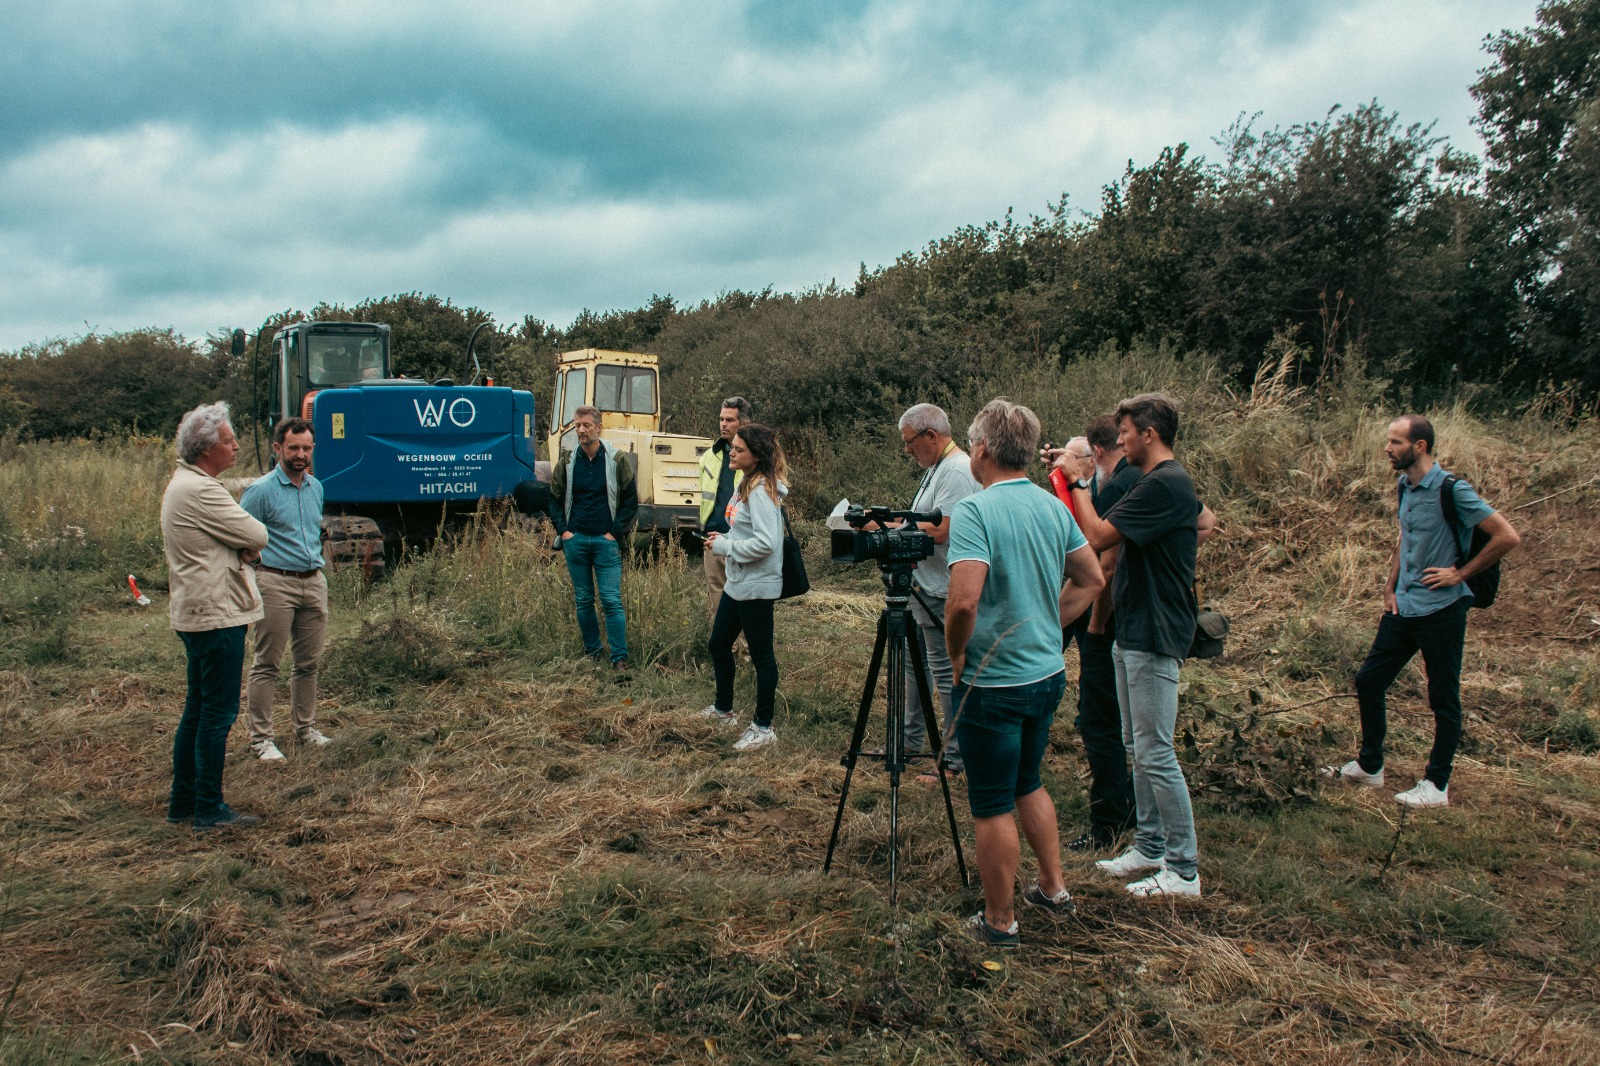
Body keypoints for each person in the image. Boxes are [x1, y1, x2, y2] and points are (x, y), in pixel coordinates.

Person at [945, 399, 1104, 948]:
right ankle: (1053, 888)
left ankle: (999, 920)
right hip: (1045, 672)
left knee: (990, 801)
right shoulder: (1051, 506)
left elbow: (963, 602)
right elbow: (1090, 579)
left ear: (982, 449)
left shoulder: (975, 511)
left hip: (992, 681)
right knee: (1028, 780)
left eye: (971, 446)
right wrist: (1046, 623)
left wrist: (958, 655)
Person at [1323, 415, 1520, 807]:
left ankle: (1437, 785)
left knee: (1442, 697)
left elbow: (1507, 536)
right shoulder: (1404, 486)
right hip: (1404, 607)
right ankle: (1370, 766)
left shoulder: (1453, 490)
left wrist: (1460, 574)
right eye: (1388, 441)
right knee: (1369, 680)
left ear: (1420, 447)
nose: (1387, 449)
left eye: (1395, 442)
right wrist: (1390, 585)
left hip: (1443, 610)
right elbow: (1406, 536)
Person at [1065, 393, 1215, 898]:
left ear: (1149, 433)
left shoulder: (1166, 482)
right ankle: (1149, 847)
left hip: (1154, 630)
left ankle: (1184, 869)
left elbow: (1097, 534)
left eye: (1125, 431)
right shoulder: (1154, 482)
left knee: (1155, 751)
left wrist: (1079, 482)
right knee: (1136, 746)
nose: (1119, 439)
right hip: (1133, 628)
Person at [161, 402, 269, 831]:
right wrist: (245, 547)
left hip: (196, 611)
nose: (236, 446)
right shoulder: (204, 491)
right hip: (217, 613)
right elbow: (257, 534)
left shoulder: (181, 485)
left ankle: (182, 803)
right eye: (228, 440)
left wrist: (239, 545)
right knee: (217, 715)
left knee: (196, 710)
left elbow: (238, 539)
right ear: (206, 448)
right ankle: (209, 808)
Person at [1055, 415, 1142, 851]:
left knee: (1100, 719)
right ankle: (1126, 805)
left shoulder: (1120, 485)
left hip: (1107, 617)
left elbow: (1103, 561)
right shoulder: (1141, 479)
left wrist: (1094, 625)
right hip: (1117, 612)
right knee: (1113, 720)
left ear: (1097, 455)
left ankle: (1110, 821)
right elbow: (1204, 521)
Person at [895, 403, 980, 783]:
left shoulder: (957, 471)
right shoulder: (937, 468)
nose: (908, 450)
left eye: (911, 442)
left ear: (932, 435)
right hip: (925, 585)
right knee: (918, 666)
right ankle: (913, 741)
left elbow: (944, 528)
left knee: (946, 673)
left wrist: (893, 529)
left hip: (944, 589)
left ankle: (954, 758)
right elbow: (923, 520)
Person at [240, 417, 331, 762]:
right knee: (267, 664)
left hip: (313, 581)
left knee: (308, 663)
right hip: (275, 582)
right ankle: (261, 739)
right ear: (278, 448)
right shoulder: (260, 491)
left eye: (307, 448)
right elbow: (238, 533)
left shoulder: (316, 487)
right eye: (293, 447)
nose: (300, 454)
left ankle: (305, 729)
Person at [699, 424, 788, 752]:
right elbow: (743, 530)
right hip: (738, 583)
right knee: (719, 643)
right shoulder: (745, 483)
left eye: (738, 449)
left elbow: (766, 543)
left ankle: (763, 728)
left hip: (757, 586)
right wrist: (724, 539)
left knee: (763, 656)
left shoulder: (762, 490)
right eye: (732, 448)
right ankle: (723, 711)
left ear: (756, 455)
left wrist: (726, 549)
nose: (731, 452)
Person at [549, 405, 639, 669]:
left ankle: (619, 659)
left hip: (605, 541)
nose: (581, 430)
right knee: (584, 599)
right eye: (577, 425)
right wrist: (564, 532)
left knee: (611, 600)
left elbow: (631, 502)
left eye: (586, 425)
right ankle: (593, 653)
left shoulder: (617, 460)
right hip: (575, 540)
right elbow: (553, 499)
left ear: (598, 427)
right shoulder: (567, 461)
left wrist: (614, 533)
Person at [699, 396, 752, 615]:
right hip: (713, 537)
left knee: (744, 599)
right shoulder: (709, 457)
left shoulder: (756, 458)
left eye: (729, 420)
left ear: (744, 424)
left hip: (743, 541)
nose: (723, 424)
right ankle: (725, 649)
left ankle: (746, 650)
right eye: (721, 419)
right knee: (717, 598)